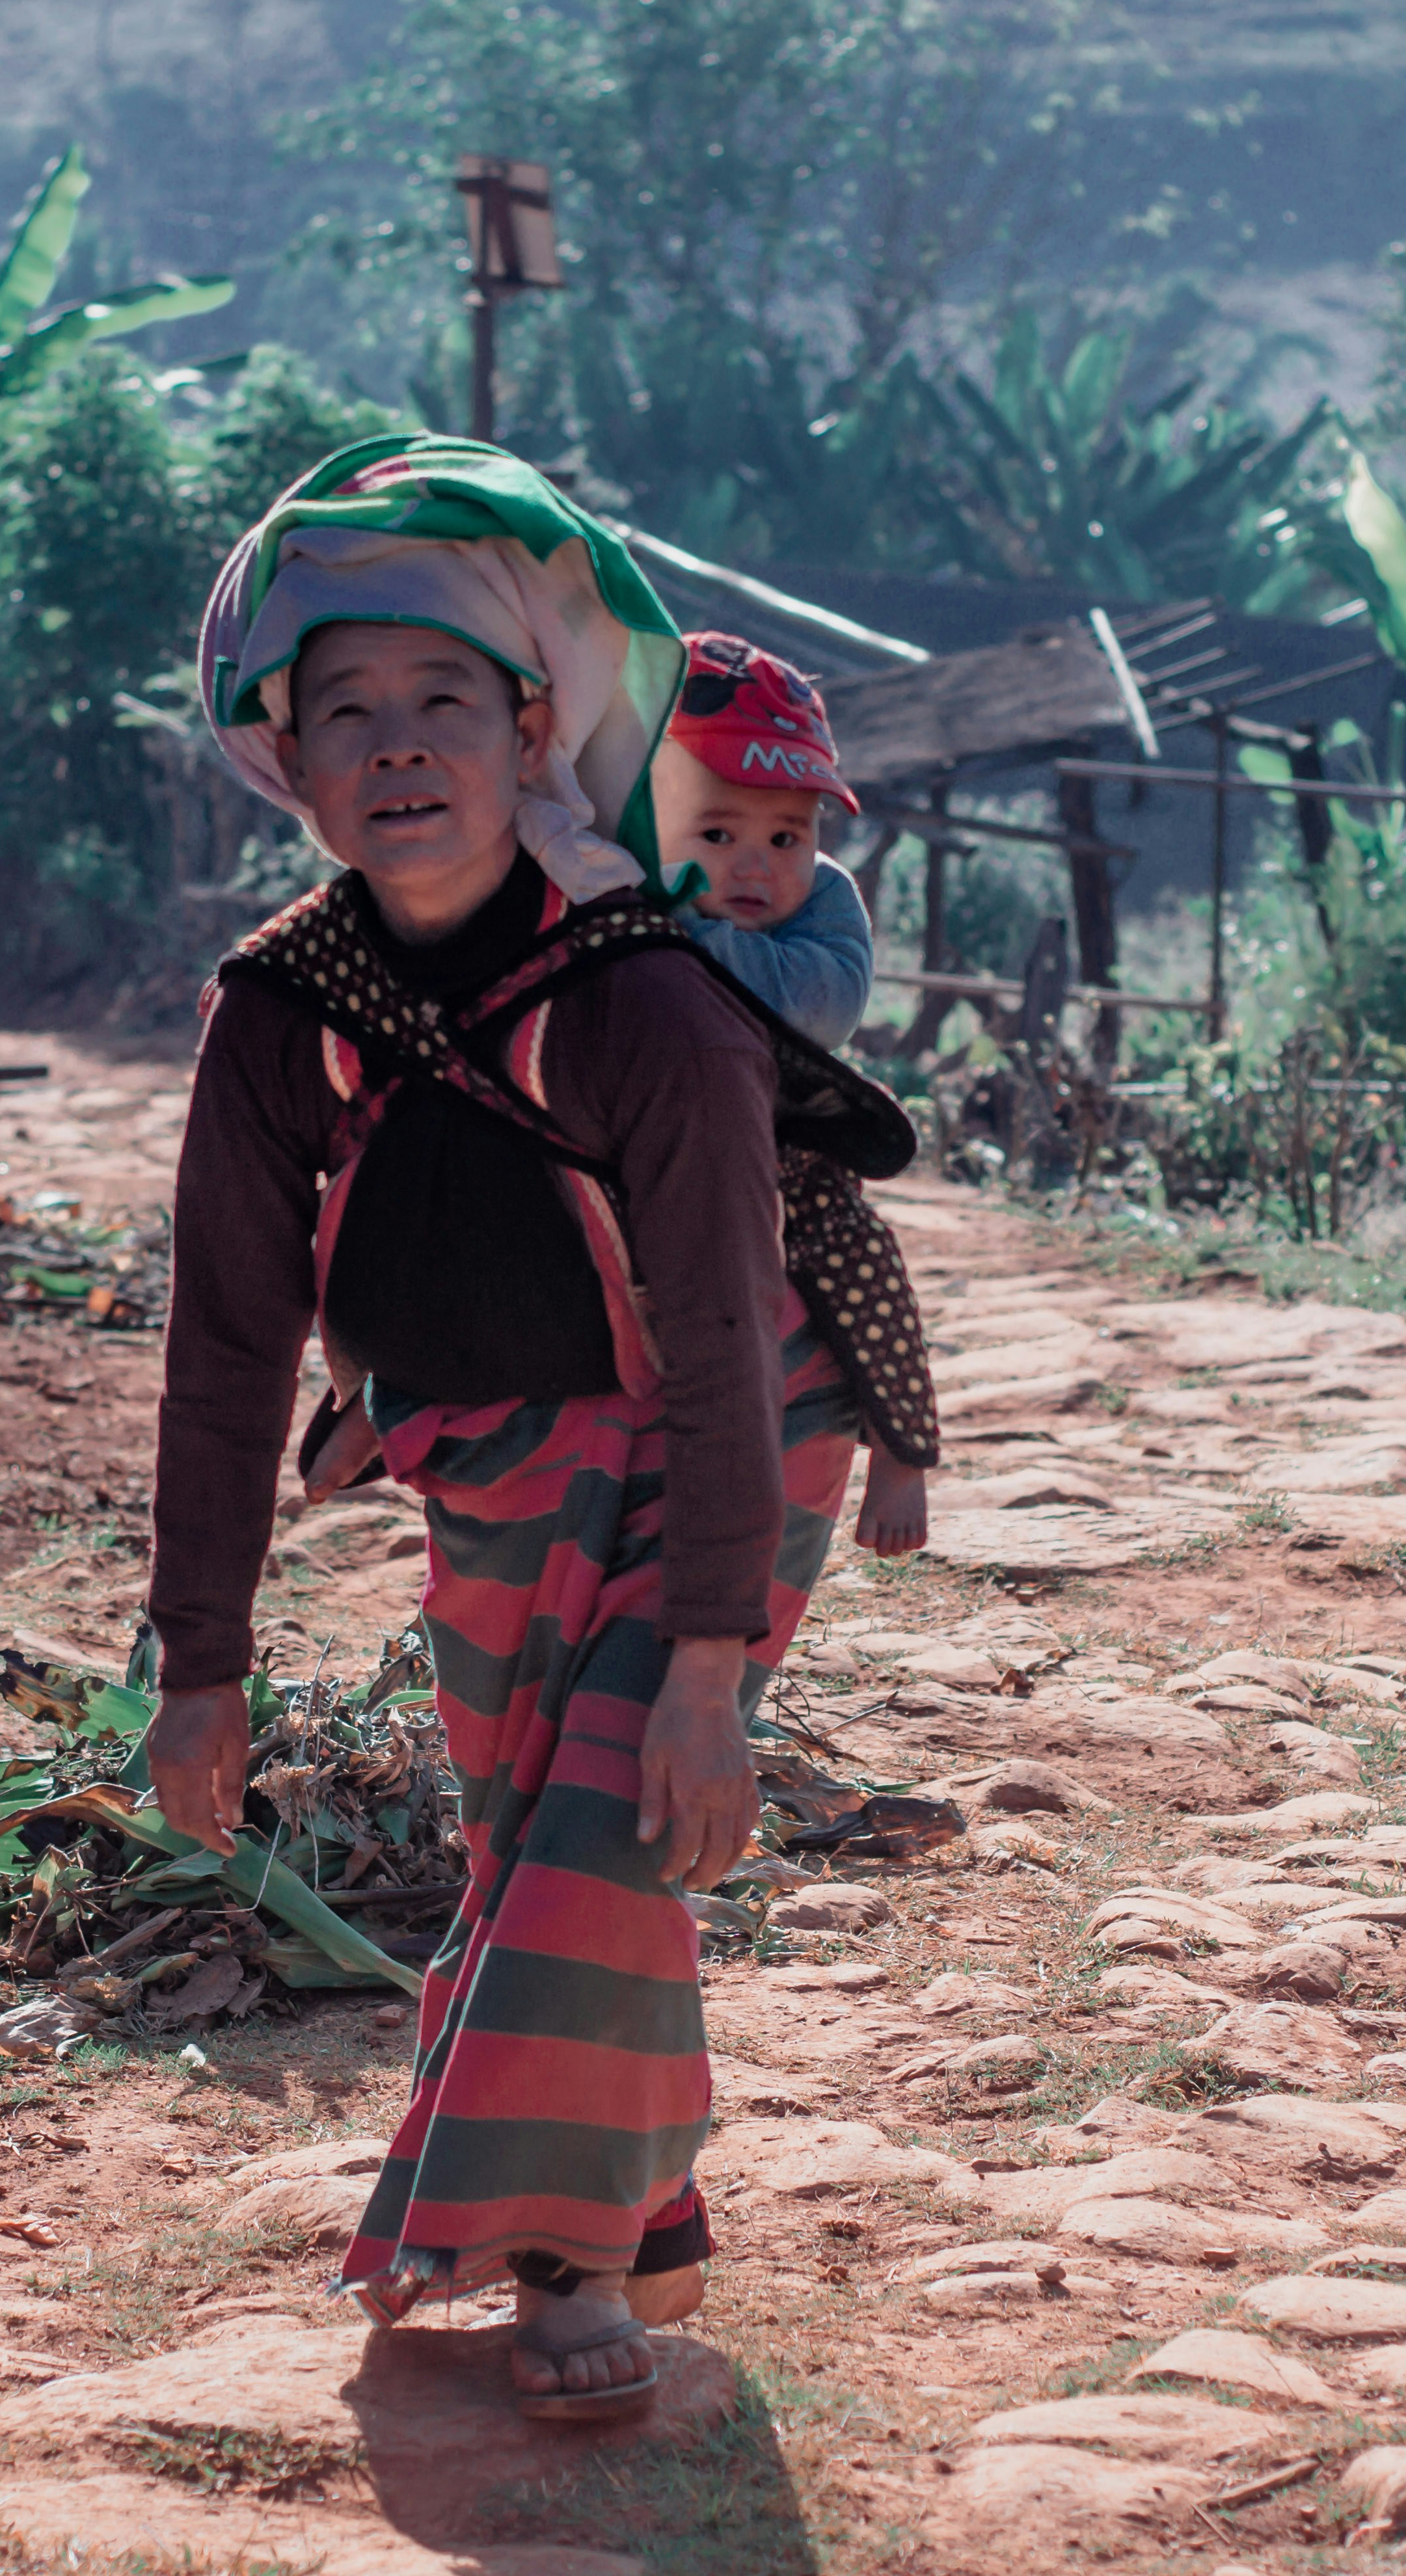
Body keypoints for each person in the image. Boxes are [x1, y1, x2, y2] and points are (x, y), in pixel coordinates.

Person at [140, 434, 934, 2424]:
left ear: (527, 730)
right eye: (345, 710)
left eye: (444, 699)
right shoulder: (276, 1012)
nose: (396, 745)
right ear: (286, 759)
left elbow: (723, 1338)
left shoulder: (649, 1005)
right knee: (521, 1842)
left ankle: (561, 2267)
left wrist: (709, 1667)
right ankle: (625, 2211)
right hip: (486, 1458)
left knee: (609, 1829)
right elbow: (227, 1342)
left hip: (732, 1432)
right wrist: (199, 1661)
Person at [652, 629, 930, 1558]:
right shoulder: (598, 876)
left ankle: (900, 1448)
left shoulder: (827, 901)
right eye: (717, 834)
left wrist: (677, 936)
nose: (755, 865)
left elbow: (821, 1004)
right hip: (638, 1146)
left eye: (786, 837)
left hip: (784, 1155)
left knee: (861, 1264)